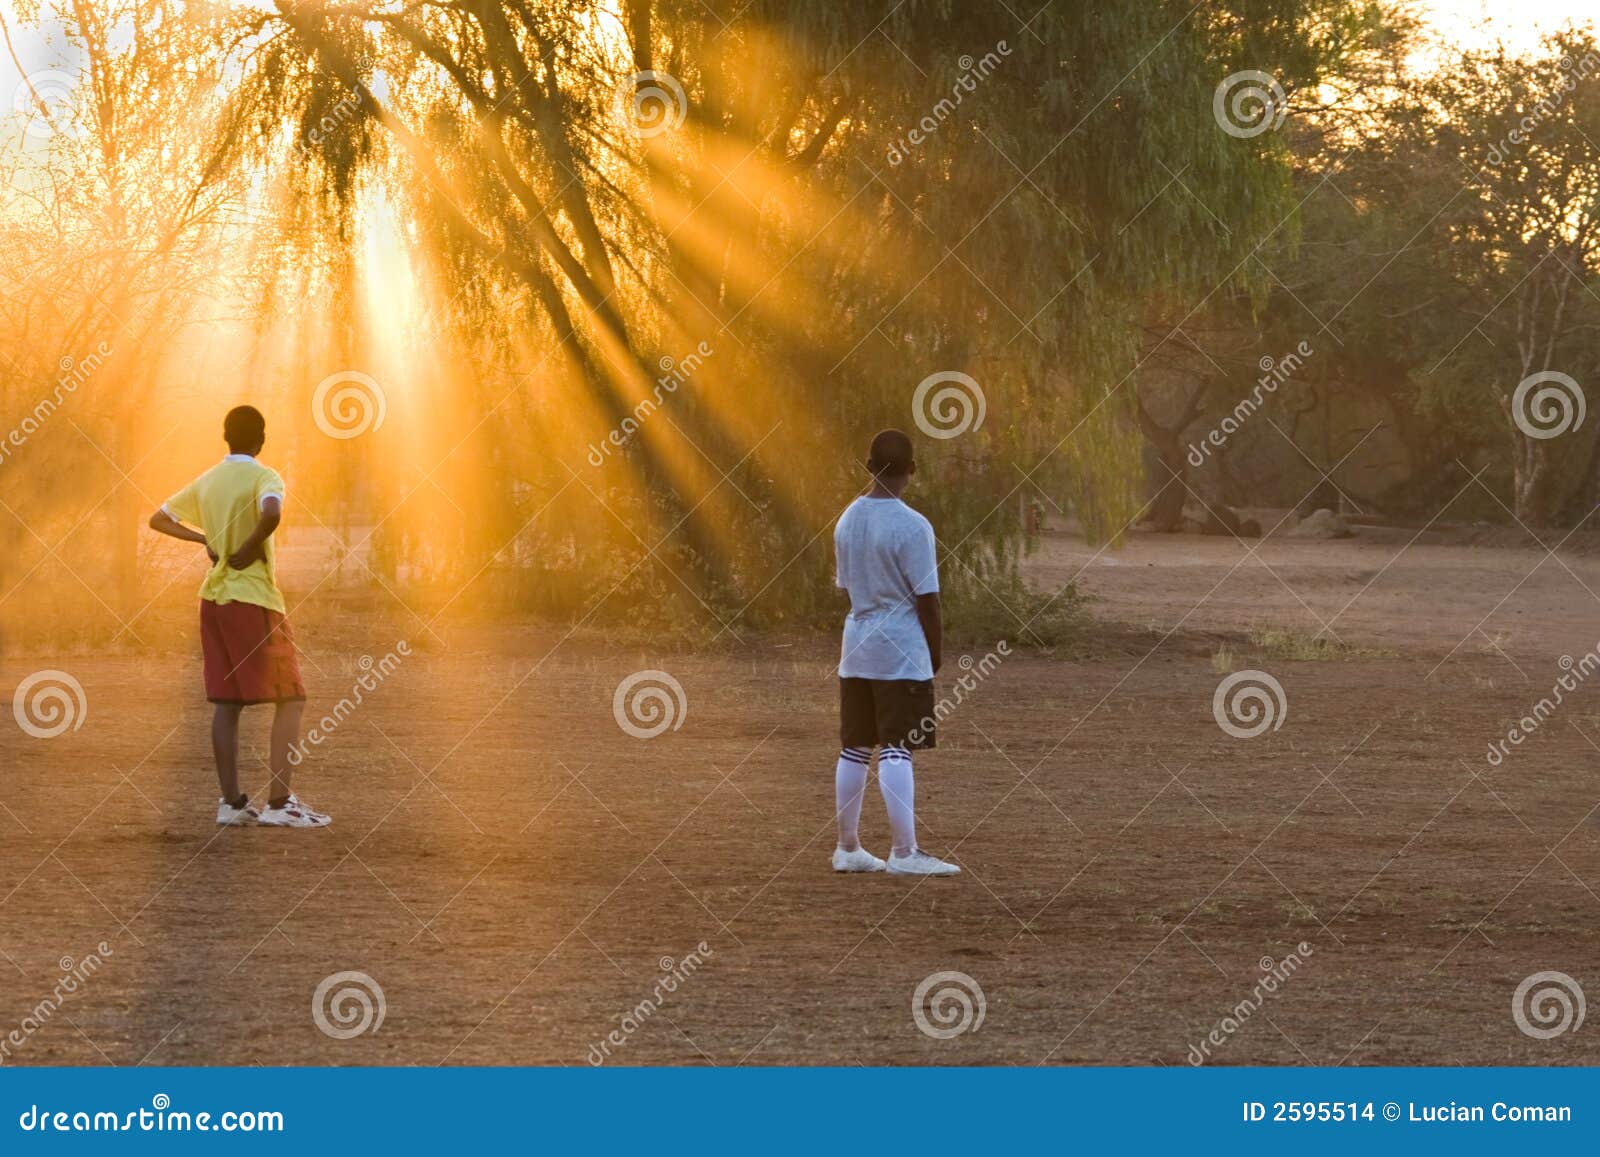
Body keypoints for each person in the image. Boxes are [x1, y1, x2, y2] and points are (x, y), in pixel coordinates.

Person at [147, 405, 330, 828]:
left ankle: (231, 804)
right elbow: (272, 513)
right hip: (252, 600)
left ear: (225, 437)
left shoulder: (208, 480)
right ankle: (280, 805)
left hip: (213, 600)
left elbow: (159, 519)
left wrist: (205, 540)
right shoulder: (266, 477)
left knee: (227, 703)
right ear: (261, 439)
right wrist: (248, 548)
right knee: (291, 698)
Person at [830, 429, 959, 876]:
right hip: (899, 648)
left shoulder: (847, 519)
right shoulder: (913, 525)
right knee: (898, 747)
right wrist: (934, 653)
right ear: (913, 470)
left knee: (854, 747)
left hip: (856, 644)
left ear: (869, 467)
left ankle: (847, 847)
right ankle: (904, 853)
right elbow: (928, 600)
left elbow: (846, 585)